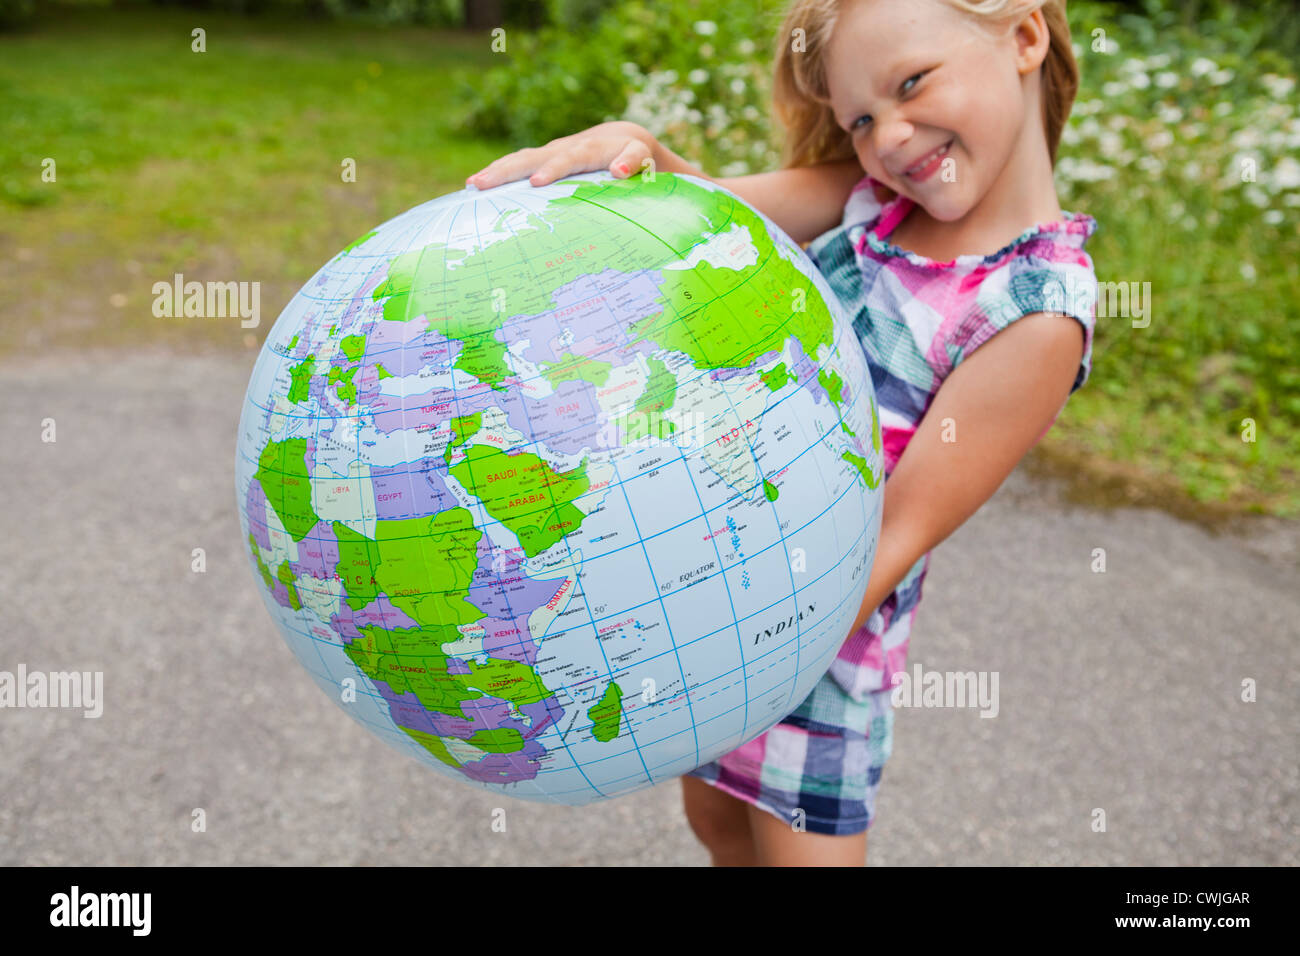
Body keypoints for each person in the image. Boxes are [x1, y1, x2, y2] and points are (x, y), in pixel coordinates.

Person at [466, 0, 1098, 866]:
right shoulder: (866, 197)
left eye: (912, 84)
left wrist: (710, 647)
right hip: (712, 598)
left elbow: (895, 540)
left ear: (1025, 37)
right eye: (862, 119)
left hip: (812, 647)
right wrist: (640, 157)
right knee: (718, 827)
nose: (892, 136)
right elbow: (702, 218)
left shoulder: (1034, 311)